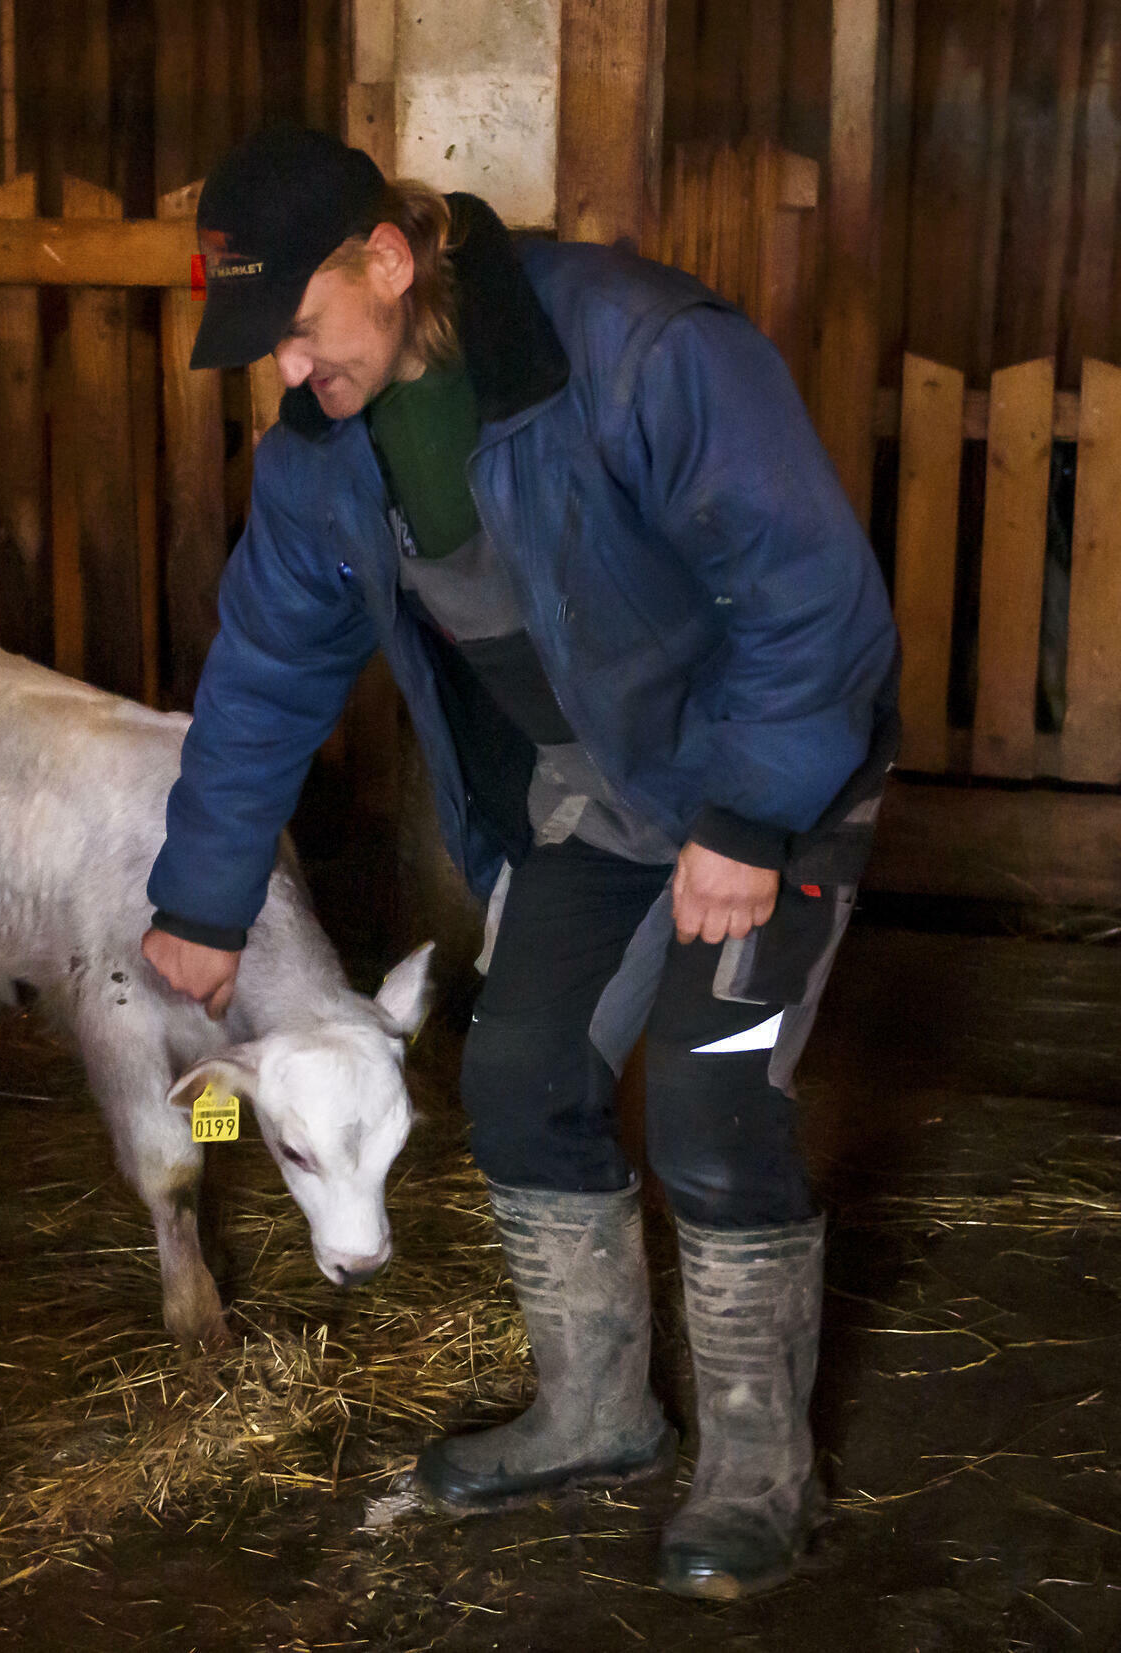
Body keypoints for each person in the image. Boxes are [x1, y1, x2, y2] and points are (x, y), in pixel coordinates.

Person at [138, 126, 898, 1601]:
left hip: (771, 781)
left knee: (709, 1082)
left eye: (297, 331)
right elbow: (266, 675)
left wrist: (744, 819)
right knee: (517, 1066)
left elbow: (814, 597)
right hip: (593, 798)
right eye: (263, 347)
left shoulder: (638, 350)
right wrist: (201, 898)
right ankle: (597, 1413)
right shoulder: (318, 464)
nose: (286, 372)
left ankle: (757, 1470)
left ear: (387, 258)